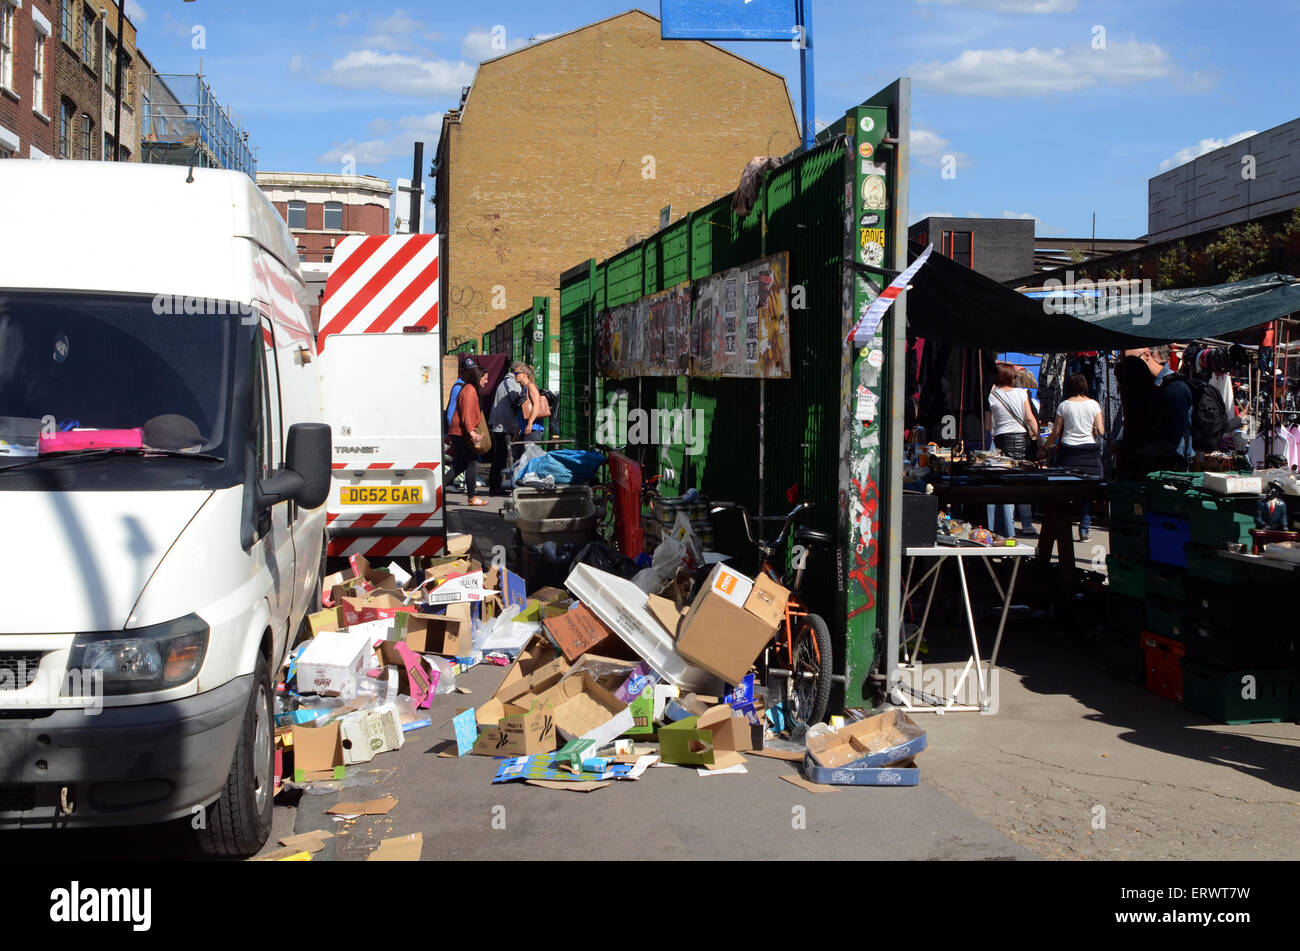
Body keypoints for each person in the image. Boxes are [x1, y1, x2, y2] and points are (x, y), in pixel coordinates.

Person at [1117, 344, 1193, 477]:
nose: (1130, 367)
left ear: (1147, 356)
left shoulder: (1174, 388)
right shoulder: (1142, 389)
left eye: (1133, 362)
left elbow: (1175, 435)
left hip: (1171, 469)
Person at [1046, 373, 1104, 540]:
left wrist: (1046, 446)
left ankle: (1062, 528)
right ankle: (1084, 530)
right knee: (1086, 492)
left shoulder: (1064, 405)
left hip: (1068, 450)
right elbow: (1101, 430)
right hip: (1088, 451)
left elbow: (1056, 432)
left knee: (1065, 491)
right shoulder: (1094, 404)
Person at [985, 363, 1040, 539]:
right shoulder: (1021, 393)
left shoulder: (992, 395)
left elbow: (987, 425)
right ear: (1012, 377)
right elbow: (1030, 418)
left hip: (1002, 441)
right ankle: (1027, 523)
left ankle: (1005, 530)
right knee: (1021, 482)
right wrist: (1041, 440)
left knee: (1005, 486)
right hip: (1022, 440)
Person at [447, 361, 488, 506]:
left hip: (458, 432)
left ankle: (435, 490)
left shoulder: (469, 389)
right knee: (472, 462)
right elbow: (466, 413)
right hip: (461, 433)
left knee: (459, 465)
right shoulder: (469, 390)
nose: (486, 381)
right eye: (484, 379)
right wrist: (471, 432)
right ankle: (472, 497)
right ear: (478, 378)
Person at [487, 361, 526, 495]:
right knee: (501, 457)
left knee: (500, 457)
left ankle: (495, 486)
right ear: (517, 370)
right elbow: (517, 402)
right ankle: (495, 487)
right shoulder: (511, 382)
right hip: (504, 426)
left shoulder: (504, 382)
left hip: (500, 425)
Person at [515, 364, 547, 459]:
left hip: (533, 429)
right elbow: (521, 413)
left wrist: (530, 424)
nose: (515, 375)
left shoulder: (531, 387)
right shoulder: (523, 389)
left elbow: (536, 405)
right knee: (520, 459)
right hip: (526, 429)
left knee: (527, 459)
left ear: (524, 374)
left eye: (517, 373)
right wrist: (517, 432)